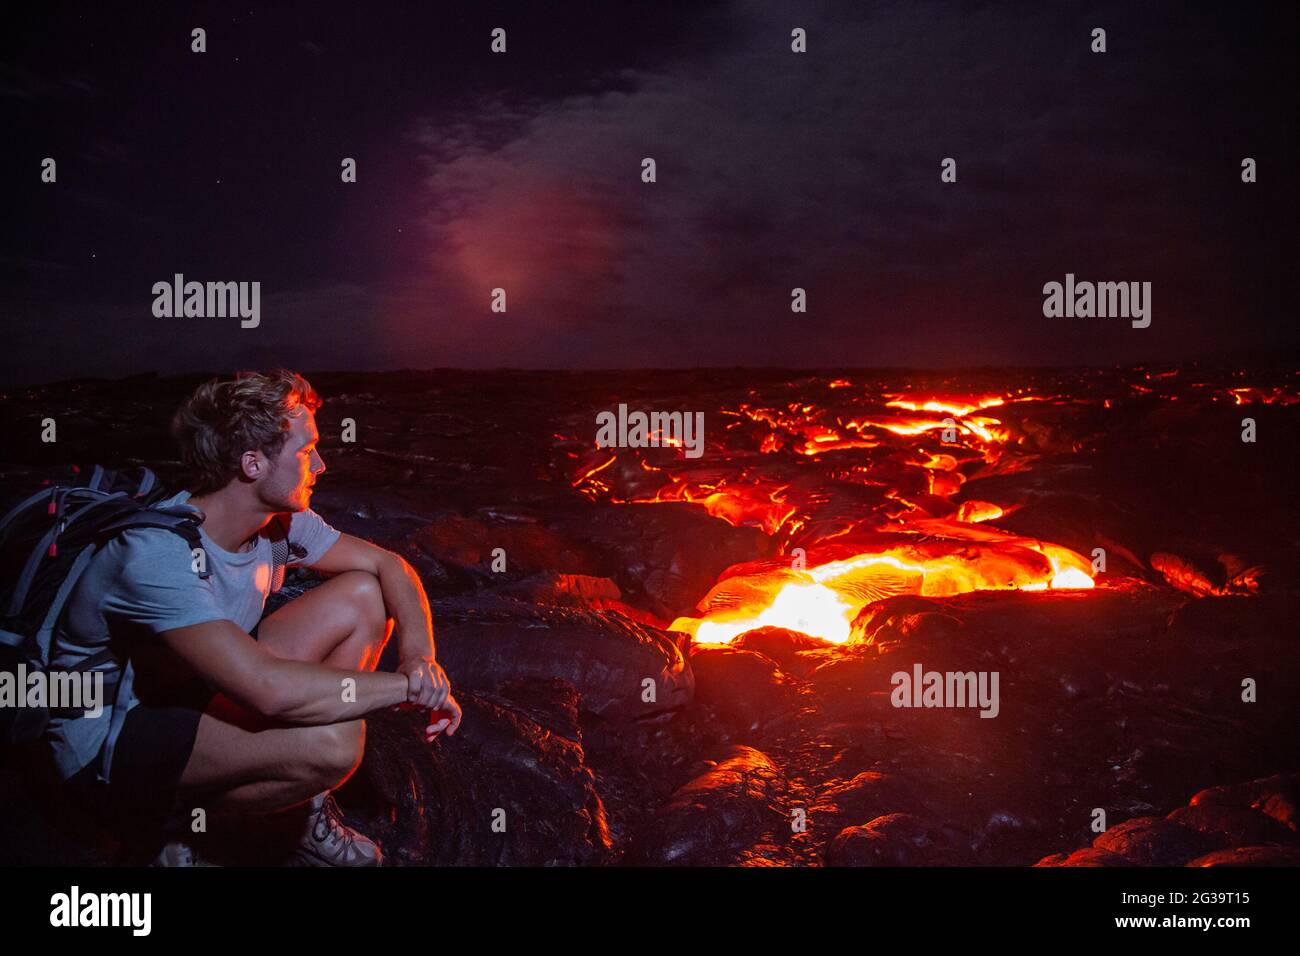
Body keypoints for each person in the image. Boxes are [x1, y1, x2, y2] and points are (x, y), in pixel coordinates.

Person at [46, 369, 462, 866]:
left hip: (196, 680)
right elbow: (265, 688)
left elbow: (388, 565)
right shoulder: (155, 555)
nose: (321, 466)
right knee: (334, 744)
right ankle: (173, 831)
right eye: (306, 452)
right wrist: (410, 690)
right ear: (252, 464)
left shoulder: (278, 523)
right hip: (114, 734)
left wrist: (420, 659)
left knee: (362, 595)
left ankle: (300, 807)